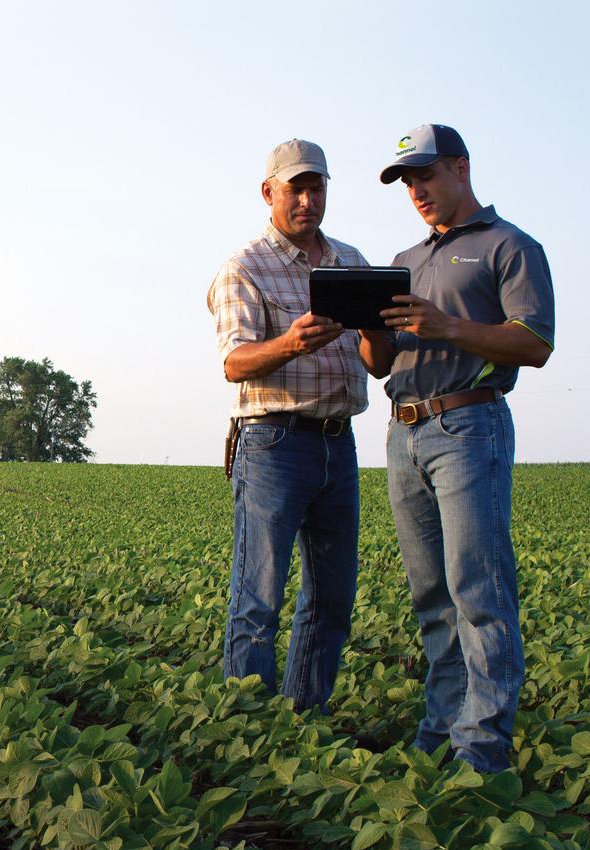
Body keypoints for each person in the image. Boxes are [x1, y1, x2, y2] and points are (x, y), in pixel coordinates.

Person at [359, 124, 554, 771]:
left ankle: (482, 749)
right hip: (402, 431)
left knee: (478, 591)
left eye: (426, 175)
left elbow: (535, 343)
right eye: (406, 182)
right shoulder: (404, 261)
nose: (416, 190)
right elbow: (379, 363)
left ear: (461, 168)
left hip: (468, 426)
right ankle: (440, 734)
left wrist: (446, 326)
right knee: (432, 601)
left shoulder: (510, 246)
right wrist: (366, 327)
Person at [207, 138, 369, 709]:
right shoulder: (245, 267)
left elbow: (377, 357)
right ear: (268, 192)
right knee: (258, 598)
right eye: (295, 189)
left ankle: (304, 718)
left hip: (338, 442)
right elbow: (234, 362)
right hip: (273, 441)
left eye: (315, 187)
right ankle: (250, 724)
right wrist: (291, 343)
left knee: (331, 599)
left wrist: (380, 330)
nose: (307, 200)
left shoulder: (351, 263)